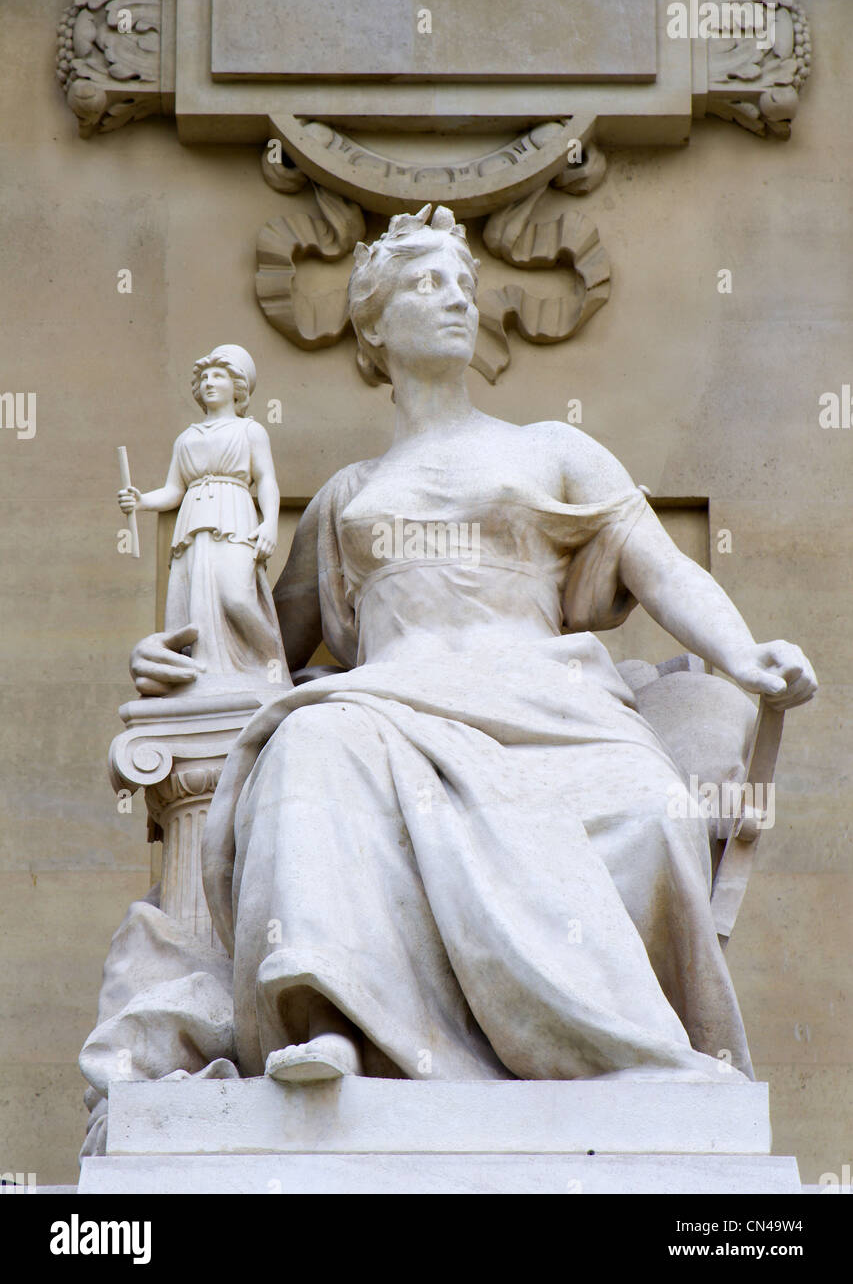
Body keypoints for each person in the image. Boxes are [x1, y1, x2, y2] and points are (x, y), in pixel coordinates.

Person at [135, 207, 816, 1086]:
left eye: (462, 282)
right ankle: (337, 1020)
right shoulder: (352, 493)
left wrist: (742, 652)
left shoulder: (551, 449)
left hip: (551, 708)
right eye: (424, 282)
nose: (454, 297)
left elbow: (662, 567)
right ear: (371, 322)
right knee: (308, 739)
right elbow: (263, 653)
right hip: (389, 709)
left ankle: (623, 1056)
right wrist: (178, 664)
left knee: (648, 806)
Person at [118, 344, 282, 693]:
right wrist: (142, 500)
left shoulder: (249, 431)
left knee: (237, 596)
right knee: (192, 602)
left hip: (235, 516)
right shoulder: (187, 438)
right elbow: (174, 490)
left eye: (218, 375)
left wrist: (269, 523)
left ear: (237, 386)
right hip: (193, 524)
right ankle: (202, 674)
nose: (209, 382)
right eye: (204, 377)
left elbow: (266, 479)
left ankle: (270, 668)